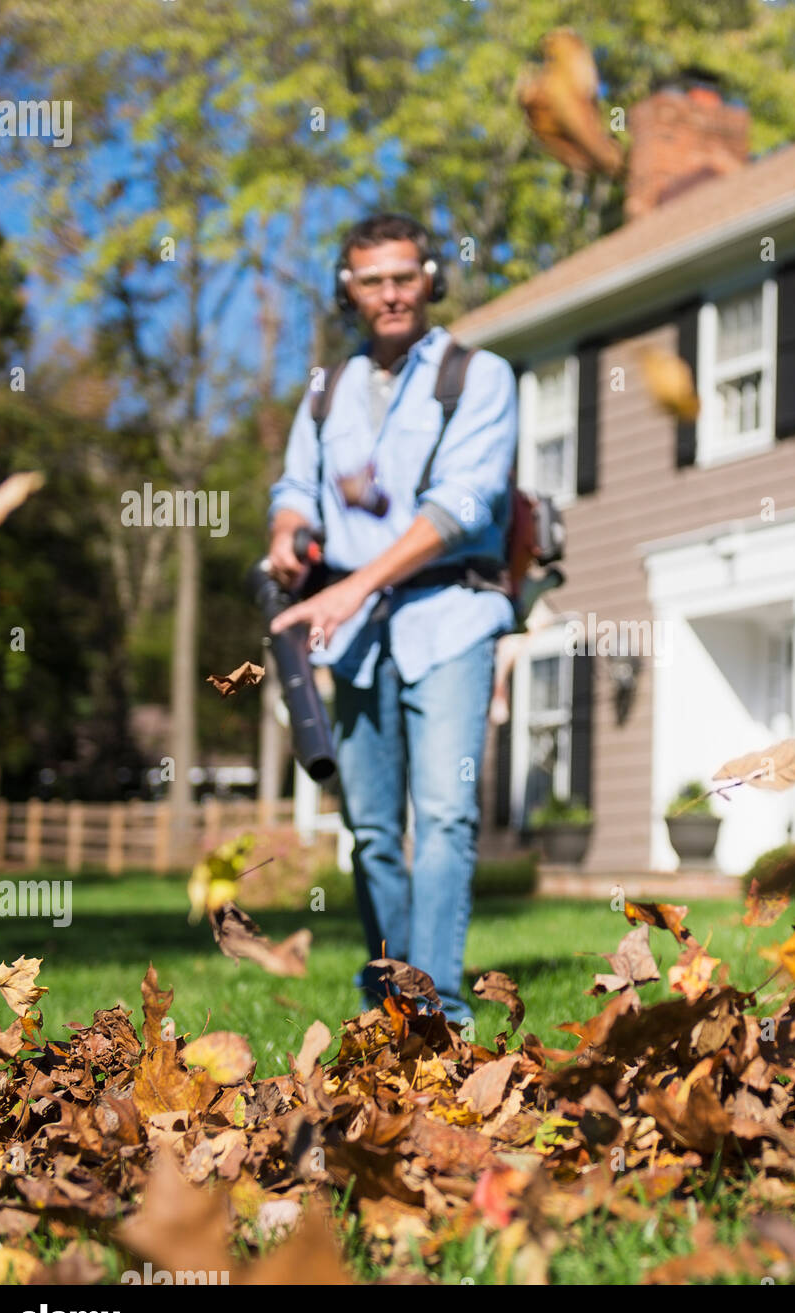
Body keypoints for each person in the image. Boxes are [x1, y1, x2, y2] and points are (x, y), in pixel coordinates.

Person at [266, 212, 517, 1026]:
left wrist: (352, 586)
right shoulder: (326, 391)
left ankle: (439, 1011)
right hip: (359, 638)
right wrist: (287, 535)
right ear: (350, 290)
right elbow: (296, 489)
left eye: (405, 275)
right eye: (372, 280)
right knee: (373, 830)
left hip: (452, 614)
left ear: (431, 278)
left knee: (444, 813)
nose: (391, 293)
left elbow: (462, 506)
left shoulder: (479, 377)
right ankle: (389, 995)